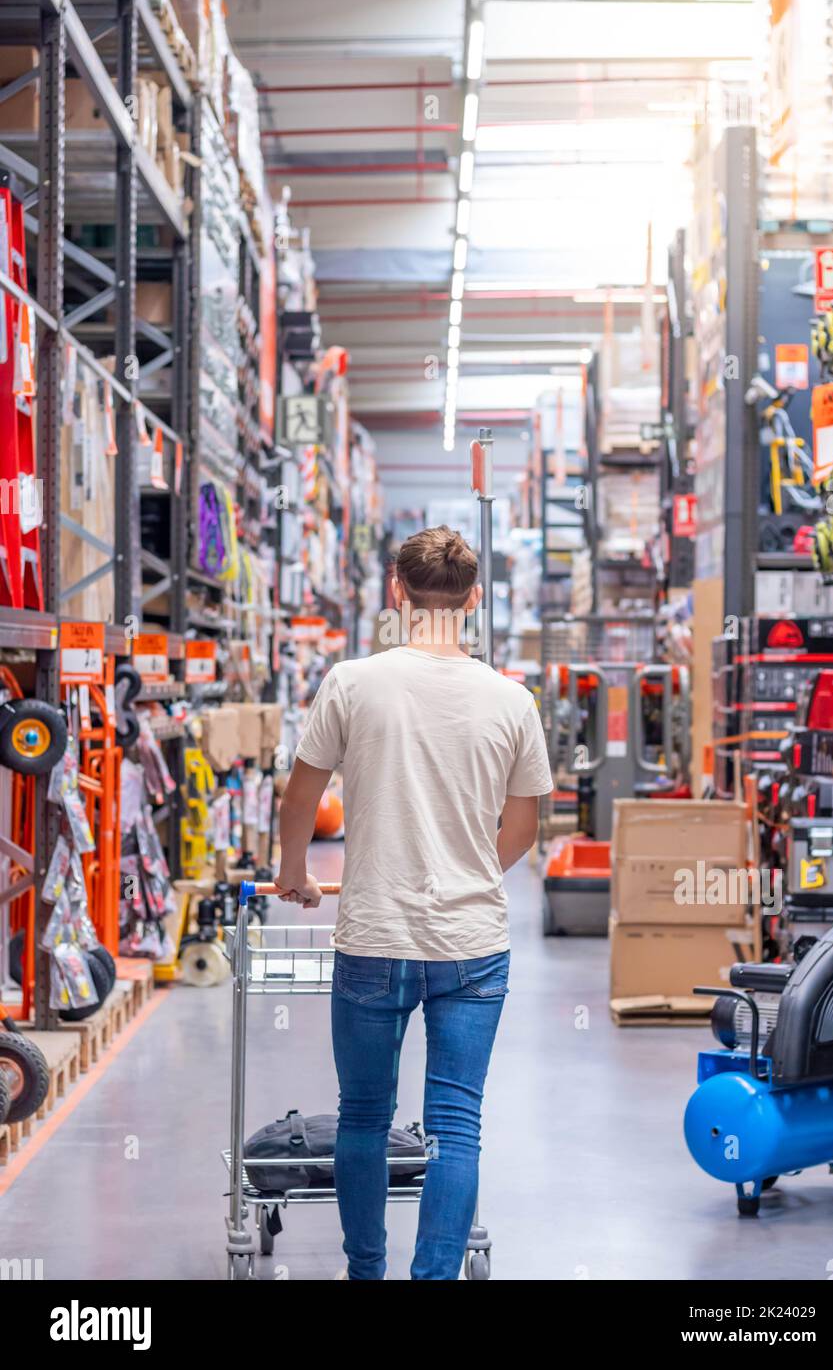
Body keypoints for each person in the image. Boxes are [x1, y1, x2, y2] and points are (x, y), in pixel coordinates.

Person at [275, 525, 553, 1280]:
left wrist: (293, 873)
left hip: (374, 935)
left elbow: (301, 796)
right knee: (456, 1125)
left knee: (363, 1116)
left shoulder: (352, 682)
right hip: (471, 944)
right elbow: (523, 826)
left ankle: (366, 1271)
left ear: (397, 593)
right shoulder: (511, 701)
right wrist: (466, 868)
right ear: (475, 599)